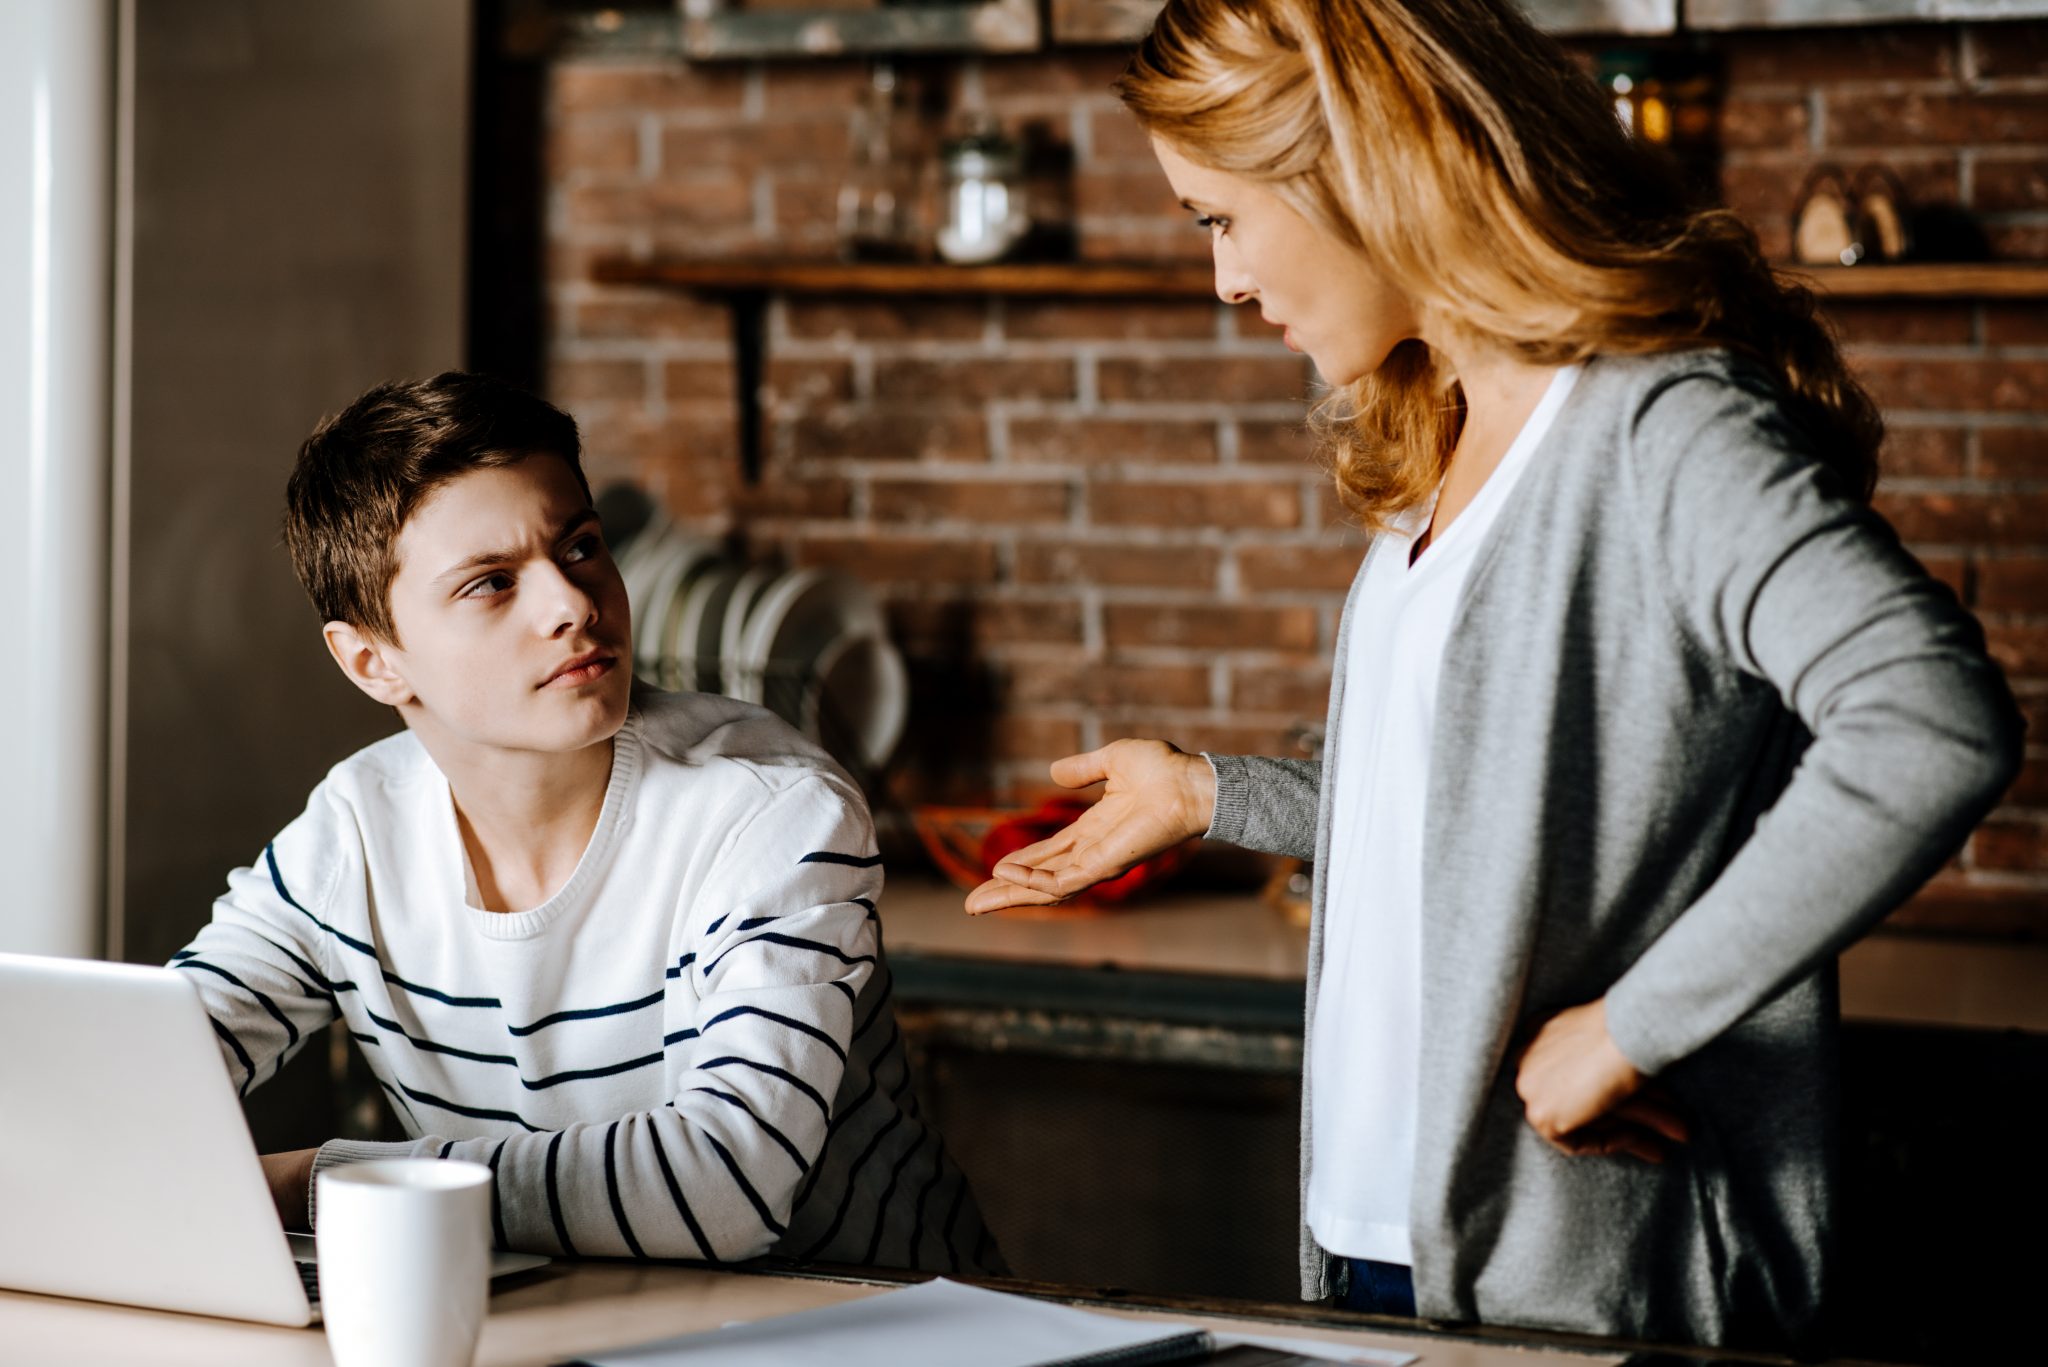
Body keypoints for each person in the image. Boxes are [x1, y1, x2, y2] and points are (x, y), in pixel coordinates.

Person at [966, 0, 2021, 1351]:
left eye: (1218, 218)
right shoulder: (1441, 434)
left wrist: (1628, 1027)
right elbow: (1476, 808)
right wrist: (1212, 795)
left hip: (1587, 1283)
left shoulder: (1659, 426)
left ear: (1352, 169)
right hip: (1374, 1251)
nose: (1222, 280)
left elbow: (1930, 724)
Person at [171, 372, 995, 1275]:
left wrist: (314, 1185)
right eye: (491, 583)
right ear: (373, 660)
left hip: (872, 1333)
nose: (572, 604)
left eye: (581, 546)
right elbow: (155, 1057)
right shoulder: (354, 831)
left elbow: (725, 1184)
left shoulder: (769, 811)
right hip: (585, 1324)